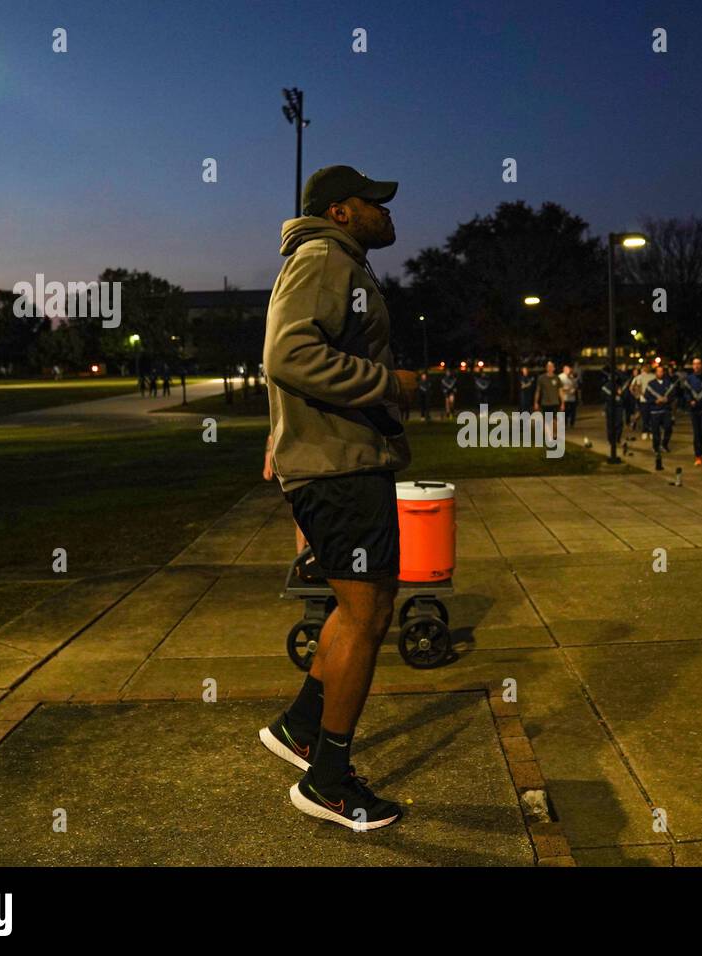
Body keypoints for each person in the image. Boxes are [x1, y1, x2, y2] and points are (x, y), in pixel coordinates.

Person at [260, 163, 418, 831]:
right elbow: (288, 355)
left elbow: (292, 360)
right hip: (339, 467)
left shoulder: (332, 258)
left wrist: (278, 433)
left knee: (353, 606)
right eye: (374, 202)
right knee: (368, 613)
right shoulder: (325, 257)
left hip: (337, 461)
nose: (388, 211)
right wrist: (390, 384)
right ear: (341, 210)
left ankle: (301, 727)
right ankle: (327, 782)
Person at [643, 362, 676, 469]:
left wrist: (668, 399)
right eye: (658, 371)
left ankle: (664, 444)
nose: (660, 373)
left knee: (668, 428)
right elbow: (647, 396)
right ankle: (656, 447)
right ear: (656, 373)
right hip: (655, 411)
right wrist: (655, 401)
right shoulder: (651, 384)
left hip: (666, 410)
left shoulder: (668, 383)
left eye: (661, 371)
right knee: (655, 430)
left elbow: (673, 395)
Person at [534, 360, 563, 441]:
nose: (550, 368)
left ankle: (554, 435)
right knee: (546, 421)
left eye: (551, 366)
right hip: (545, 403)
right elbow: (538, 391)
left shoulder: (557, 378)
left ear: (554, 368)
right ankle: (549, 437)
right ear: (546, 368)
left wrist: (562, 403)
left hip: (555, 402)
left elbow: (560, 391)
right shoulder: (541, 378)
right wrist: (536, 402)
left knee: (554, 420)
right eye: (548, 366)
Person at [632, 362, 655, 439]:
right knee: (645, 416)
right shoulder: (640, 377)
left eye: (649, 367)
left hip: (652, 399)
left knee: (652, 416)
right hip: (643, 399)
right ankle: (644, 431)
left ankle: (651, 431)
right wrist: (641, 395)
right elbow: (638, 387)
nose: (648, 368)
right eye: (646, 367)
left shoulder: (653, 376)